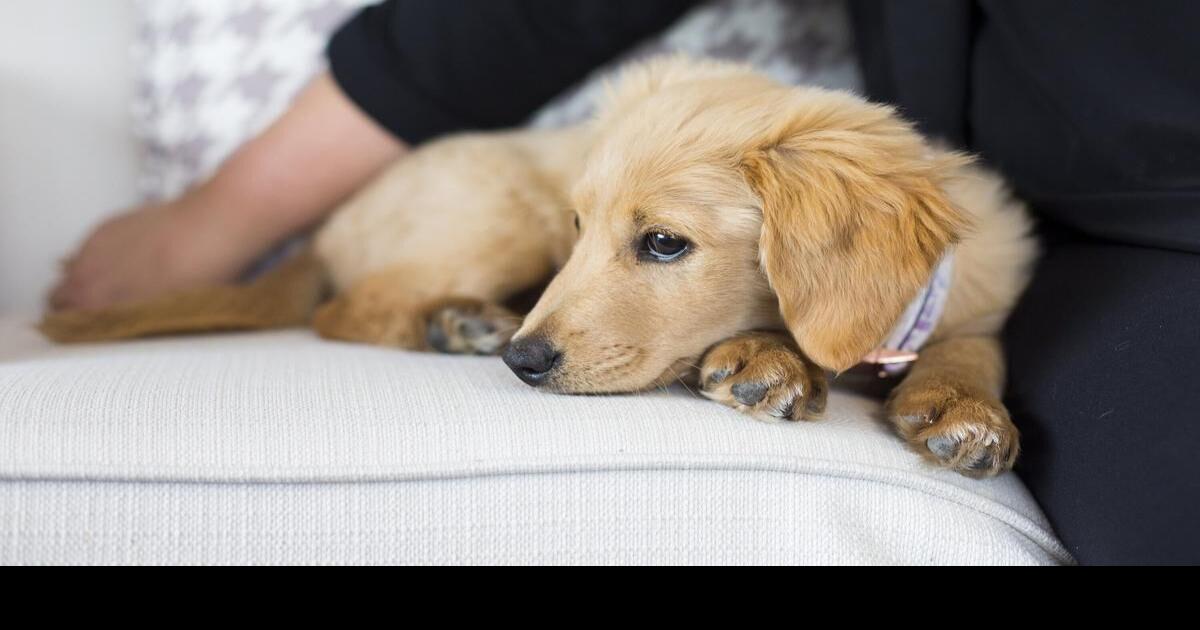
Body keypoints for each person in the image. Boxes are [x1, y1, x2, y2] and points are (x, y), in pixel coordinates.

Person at [52, 0, 1198, 564]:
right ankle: (396, 309)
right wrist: (220, 219)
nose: (544, 331)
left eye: (658, 246)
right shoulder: (650, 154)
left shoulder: (861, 223)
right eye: (586, 238)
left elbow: (904, 310)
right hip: (1136, 233)